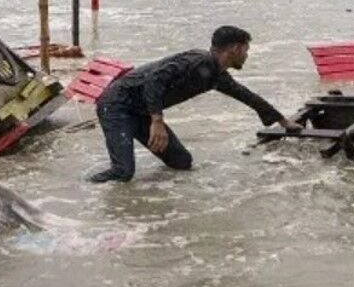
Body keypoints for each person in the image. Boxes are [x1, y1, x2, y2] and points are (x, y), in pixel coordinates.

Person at [88, 26, 294, 183]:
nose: (247, 56)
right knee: (123, 173)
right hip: (117, 105)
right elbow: (154, 80)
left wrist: (282, 120)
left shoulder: (216, 75)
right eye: (246, 50)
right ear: (235, 48)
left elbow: (246, 96)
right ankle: (84, 191)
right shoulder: (196, 61)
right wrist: (157, 121)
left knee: (182, 163)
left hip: (142, 111)